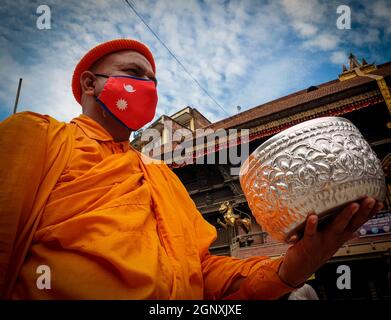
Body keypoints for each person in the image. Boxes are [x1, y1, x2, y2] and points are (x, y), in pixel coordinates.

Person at [0, 39, 383, 299]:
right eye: (135, 74)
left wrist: (290, 268)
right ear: (89, 83)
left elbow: (200, 273)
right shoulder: (40, 138)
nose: (148, 87)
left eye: (153, 81)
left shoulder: (161, 176)